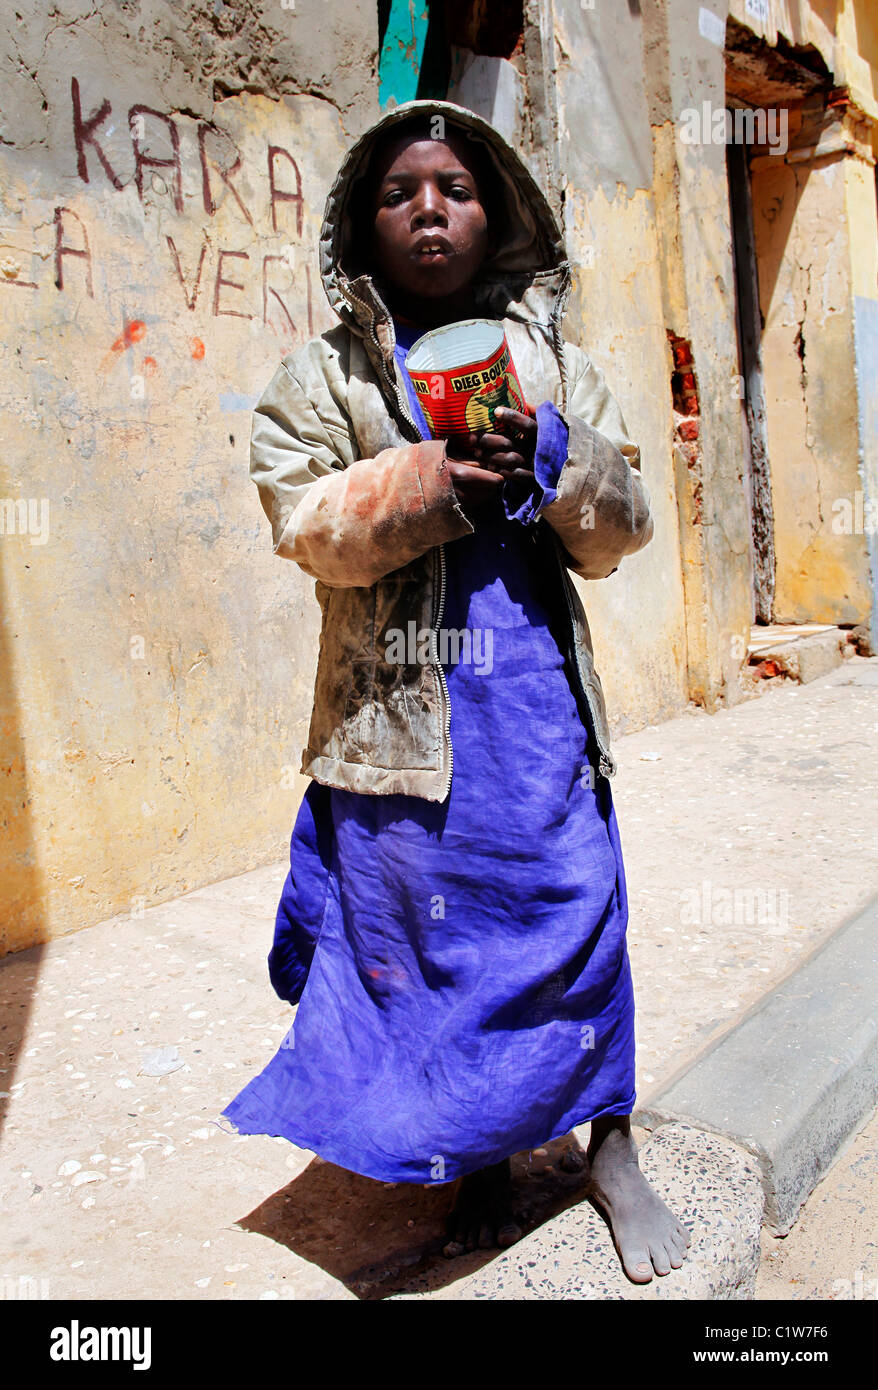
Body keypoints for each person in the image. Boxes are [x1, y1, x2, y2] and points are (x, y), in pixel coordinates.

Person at [220, 99, 691, 1284]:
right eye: (396, 193)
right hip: (399, 723)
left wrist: (554, 457)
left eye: (455, 189)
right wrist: (429, 478)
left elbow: (624, 527)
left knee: (574, 914)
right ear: (360, 227)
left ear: (497, 214)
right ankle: (478, 1154)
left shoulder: (552, 362)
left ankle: (609, 1146)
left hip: (531, 705)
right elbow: (305, 522)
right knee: (431, 947)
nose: (427, 208)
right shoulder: (317, 377)